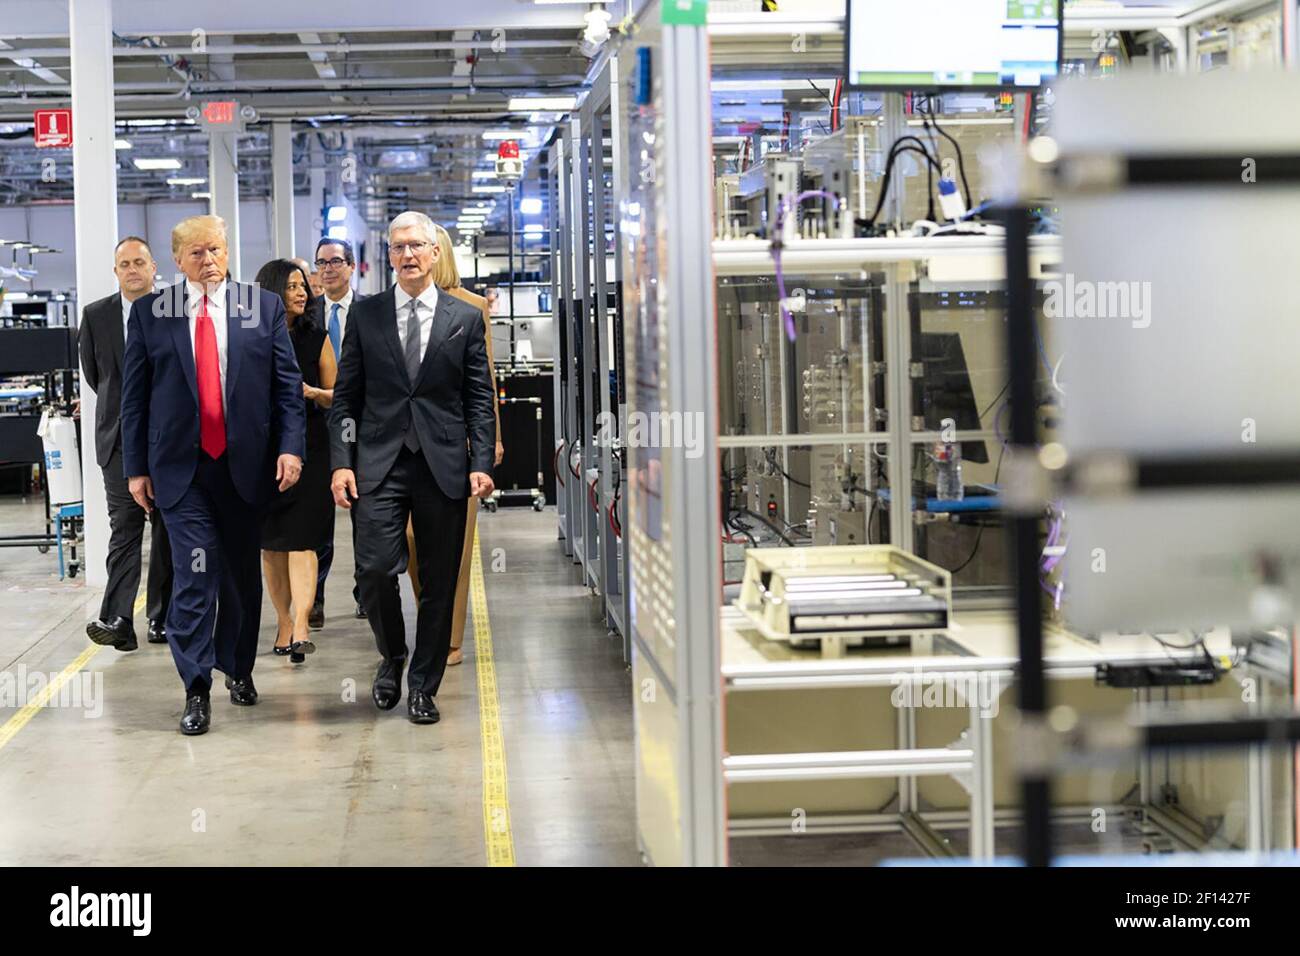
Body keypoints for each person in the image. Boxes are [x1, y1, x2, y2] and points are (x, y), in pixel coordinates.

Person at [121, 214, 305, 736]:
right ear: (177, 261)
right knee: (196, 574)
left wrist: (291, 449)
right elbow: (134, 399)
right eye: (198, 253)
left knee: (241, 578)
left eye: (217, 251)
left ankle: (238, 668)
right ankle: (196, 686)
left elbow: (286, 388)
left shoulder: (261, 308)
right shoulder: (152, 313)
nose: (210, 262)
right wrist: (136, 469)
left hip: (245, 468)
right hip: (182, 470)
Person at [328, 210, 496, 725]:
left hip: (443, 465)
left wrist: (481, 461)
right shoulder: (368, 314)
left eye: (416, 246)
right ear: (389, 256)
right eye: (398, 247)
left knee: (439, 582)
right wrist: (341, 463)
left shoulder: (463, 318)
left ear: (434, 253)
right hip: (378, 464)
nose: (406, 255)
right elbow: (346, 398)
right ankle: (392, 655)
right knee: (375, 569)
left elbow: (478, 398)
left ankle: (423, 685)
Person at [404, 224, 504, 667]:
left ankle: (448, 635)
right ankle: (432, 614)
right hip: (405, 446)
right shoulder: (397, 308)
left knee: (455, 547)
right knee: (410, 540)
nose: (415, 254)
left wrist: (492, 439)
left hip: (457, 444)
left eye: (424, 247)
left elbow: (486, 381)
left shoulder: (471, 308)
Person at [79, 237, 172, 652]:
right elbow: (94, 375)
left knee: (167, 529)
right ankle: (119, 618)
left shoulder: (173, 311)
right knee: (125, 528)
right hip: (117, 439)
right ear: (115, 272)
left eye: (140, 262)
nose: (133, 270)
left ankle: (162, 616)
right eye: (124, 264)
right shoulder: (96, 315)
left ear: (154, 268)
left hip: (168, 439)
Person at [254, 259, 336, 665]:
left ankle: (302, 624)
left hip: (311, 447)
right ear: (271, 292)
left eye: (303, 285)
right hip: (262, 450)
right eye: (291, 287)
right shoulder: (249, 336)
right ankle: (282, 622)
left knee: (303, 539)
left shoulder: (315, 337)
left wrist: (312, 393)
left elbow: (339, 393)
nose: (302, 292)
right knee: (272, 543)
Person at [311, 237, 367, 625]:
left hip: (364, 424)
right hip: (317, 425)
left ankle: (366, 591)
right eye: (321, 263)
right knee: (316, 518)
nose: (328, 269)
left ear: (350, 266)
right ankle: (314, 595)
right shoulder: (307, 314)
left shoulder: (372, 311)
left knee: (366, 514)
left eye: (335, 261)